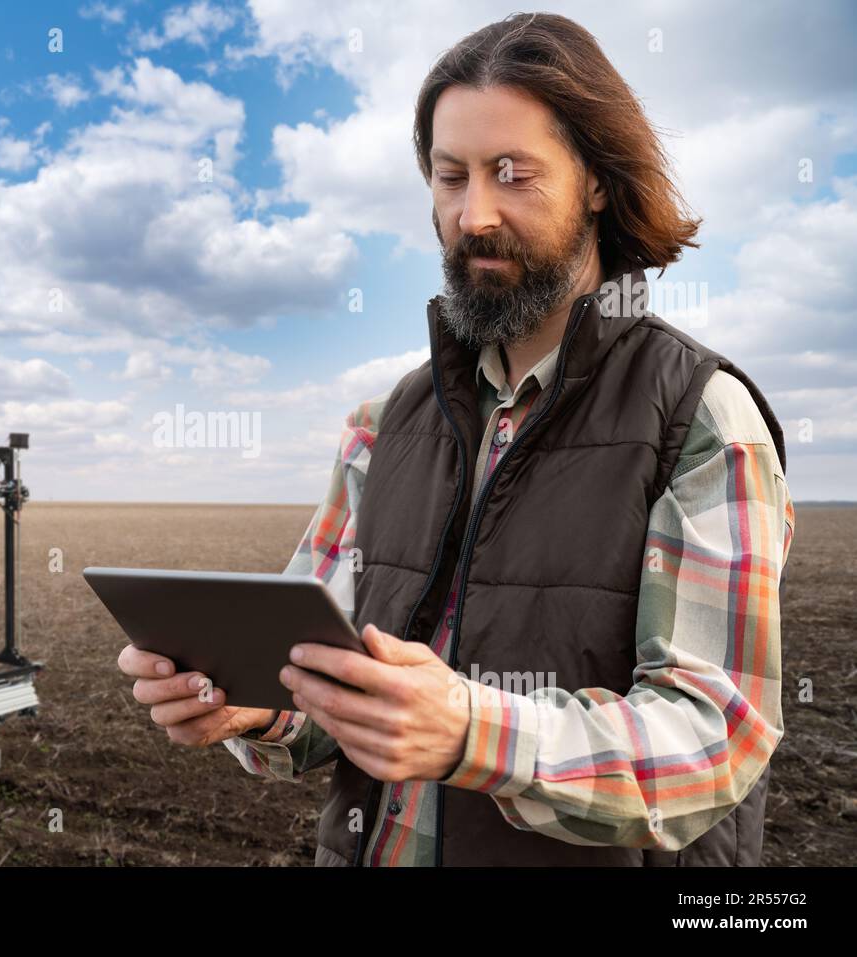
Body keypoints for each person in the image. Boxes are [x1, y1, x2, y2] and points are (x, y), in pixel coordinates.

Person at [117, 12, 794, 866]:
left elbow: (715, 738)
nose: (474, 215)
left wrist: (475, 731)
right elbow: (321, 676)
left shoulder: (699, 417)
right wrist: (254, 705)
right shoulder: (381, 425)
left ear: (594, 180)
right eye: (451, 177)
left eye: (512, 174)